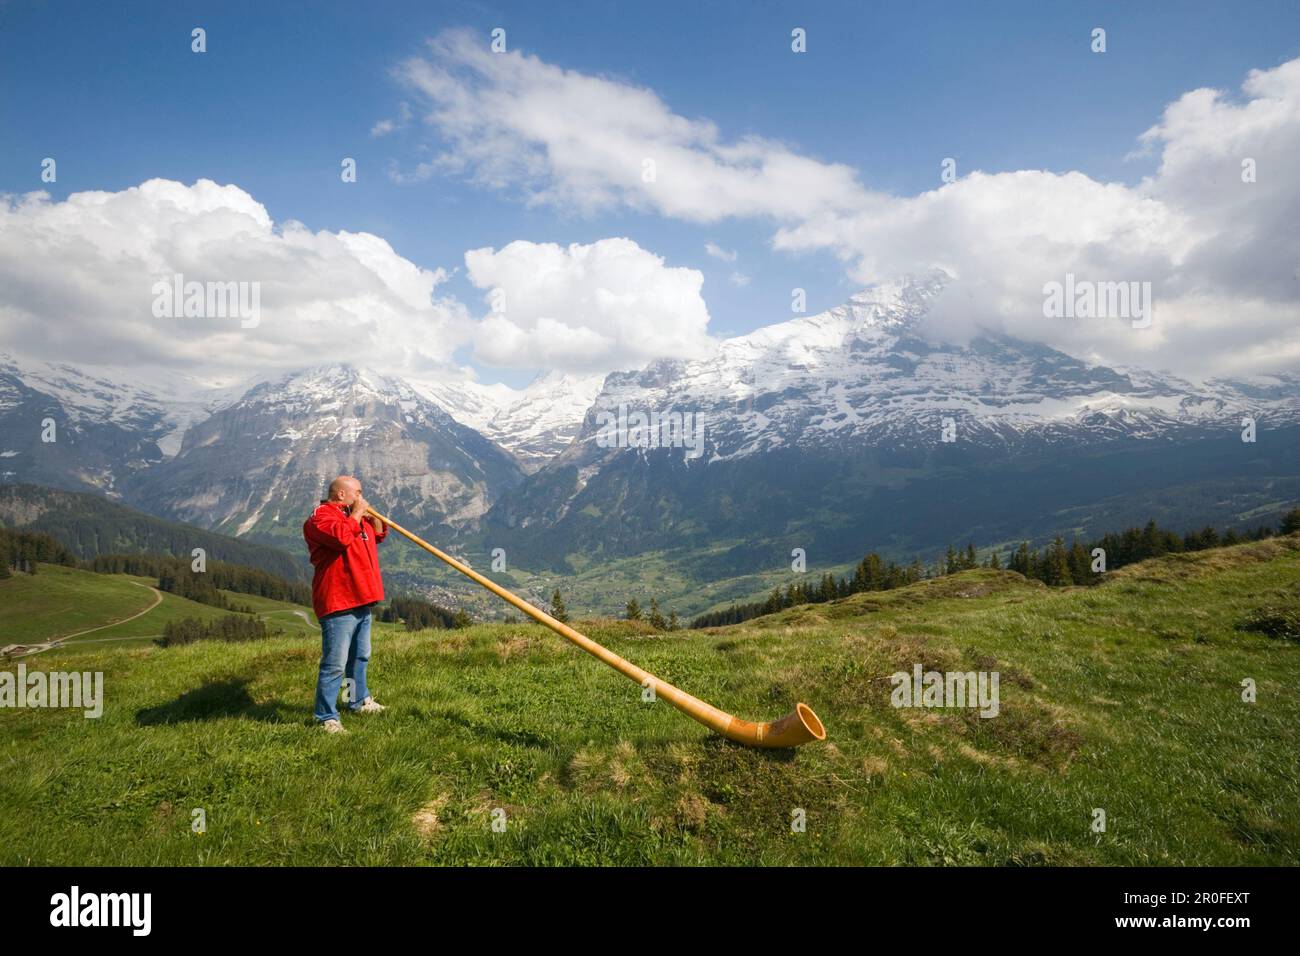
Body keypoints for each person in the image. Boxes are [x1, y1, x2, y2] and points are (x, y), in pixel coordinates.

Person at [303, 475, 388, 733]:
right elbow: (340, 538)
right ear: (341, 494)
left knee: (360, 656)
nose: (361, 498)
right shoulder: (320, 518)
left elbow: (376, 536)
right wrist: (358, 514)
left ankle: (357, 700)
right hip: (338, 600)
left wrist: (373, 520)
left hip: (362, 597)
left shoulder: (353, 516)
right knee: (335, 663)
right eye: (358, 492)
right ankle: (325, 717)